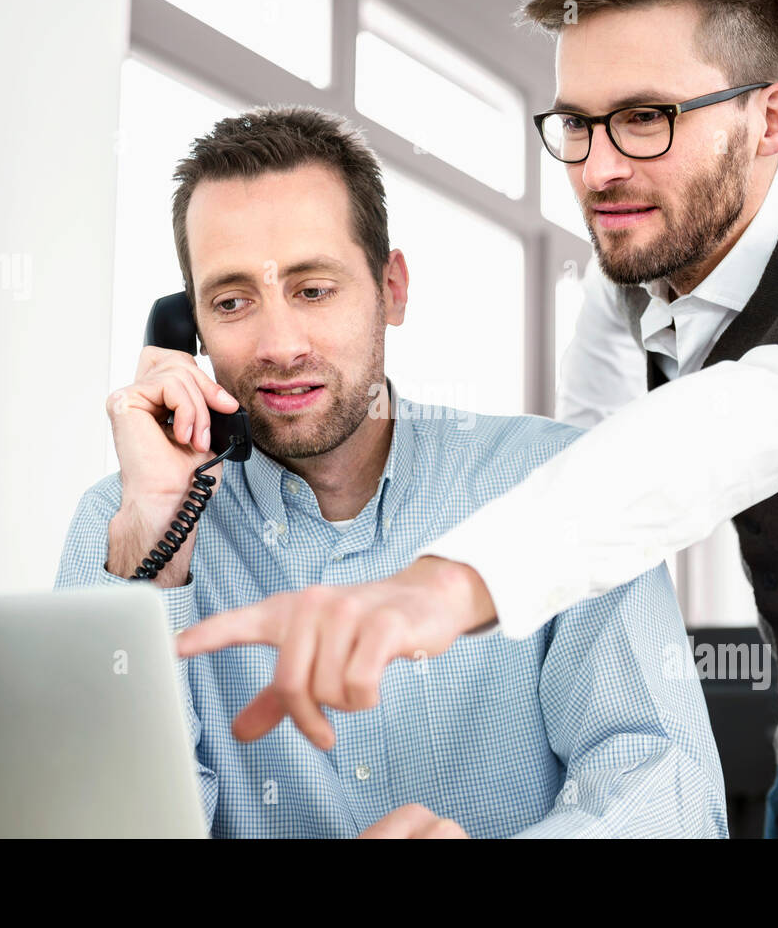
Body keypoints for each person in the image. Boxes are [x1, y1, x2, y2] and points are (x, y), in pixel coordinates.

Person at [177, 0, 778, 838]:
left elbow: (740, 424)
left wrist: (437, 586)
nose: (599, 168)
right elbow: (593, 473)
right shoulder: (633, 289)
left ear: (770, 119)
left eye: (646, 118)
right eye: (577, 123)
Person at [55, 105, 727, 838]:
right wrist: (152, 559)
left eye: (314, 289)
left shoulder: (562, 484)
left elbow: (673, 794)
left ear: (391, 289)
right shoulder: (123, 523)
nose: (280, 345)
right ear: (188, 329)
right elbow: (85, 822)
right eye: (232, 301)